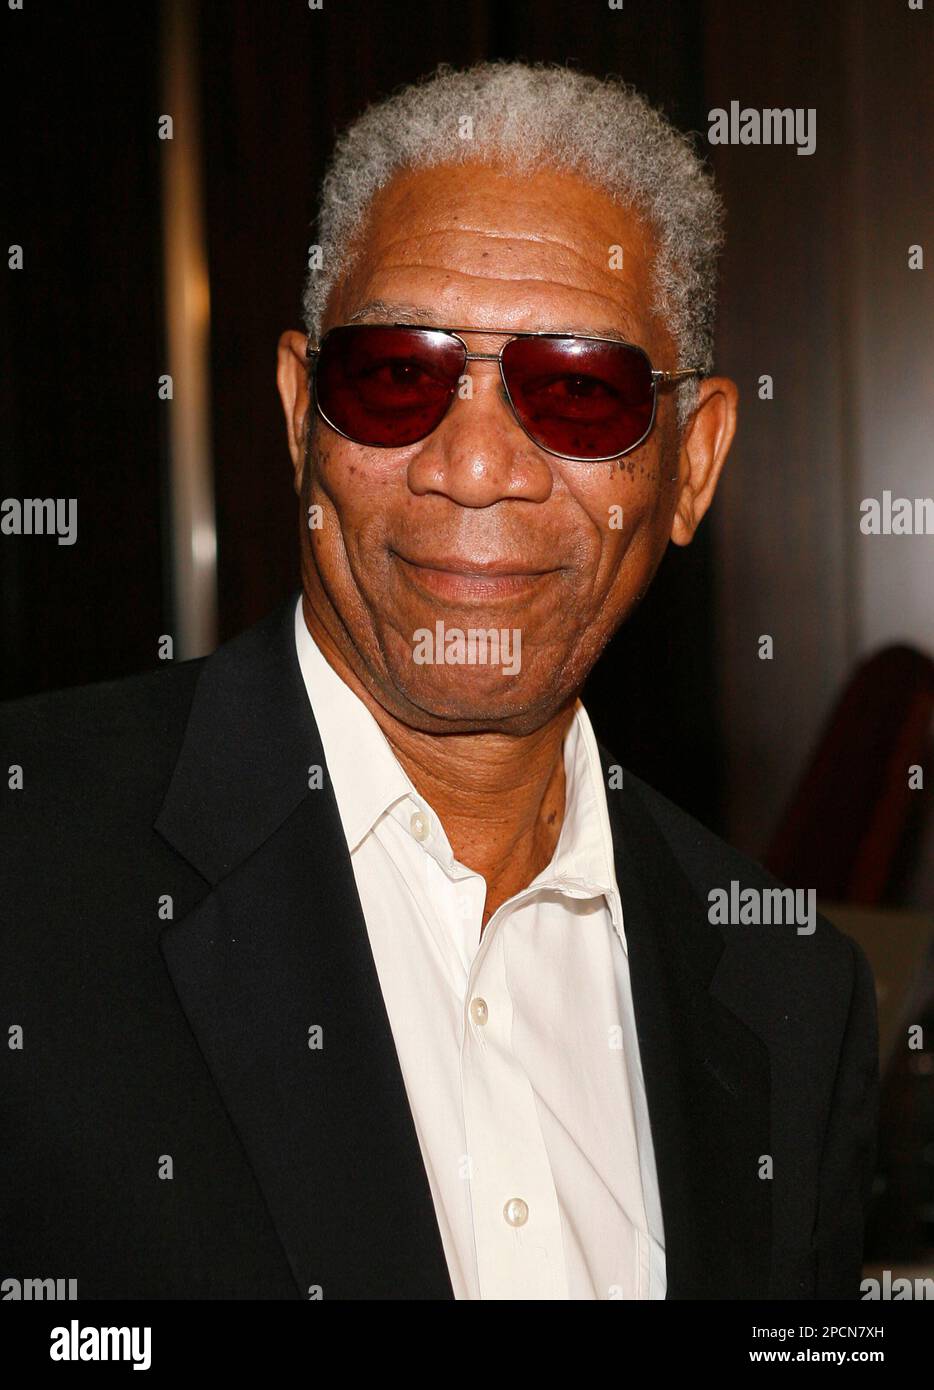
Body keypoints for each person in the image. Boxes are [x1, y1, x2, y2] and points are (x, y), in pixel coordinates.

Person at [0, 61, 877, 1300]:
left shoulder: (792, 999)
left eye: (577, 392)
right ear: (302, 412)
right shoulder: (30, 875)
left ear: (694, 462)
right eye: (397, 375)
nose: (473, 467)